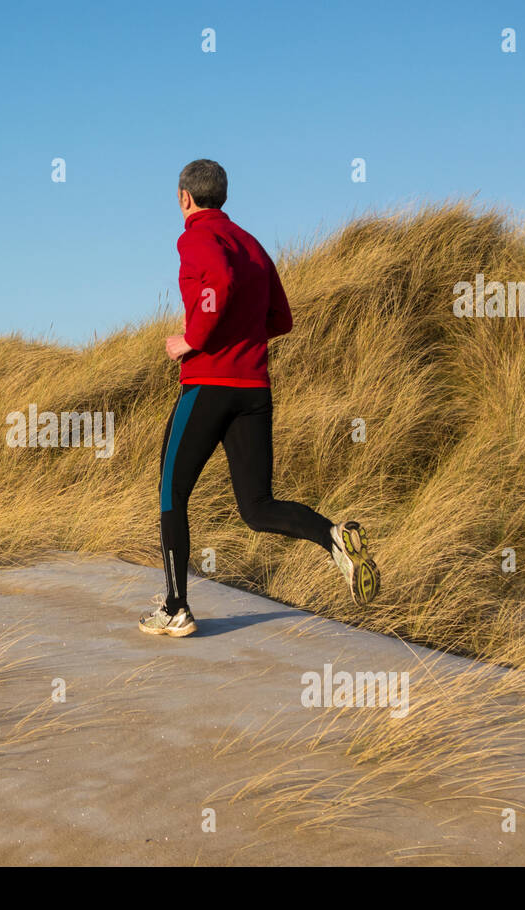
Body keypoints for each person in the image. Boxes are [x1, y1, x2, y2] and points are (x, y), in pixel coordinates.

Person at [139, 159, 381, 638]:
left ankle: (175, 607)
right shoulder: (251, 244)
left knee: (171, 492)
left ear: (184, 197)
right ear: (222, 195)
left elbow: (219, 285)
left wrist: (193, 339)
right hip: (253, 391)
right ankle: (333, 537)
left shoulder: (196, 237)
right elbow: (281, 319)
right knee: (256, 506)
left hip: (208, 385)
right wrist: (243, 335)